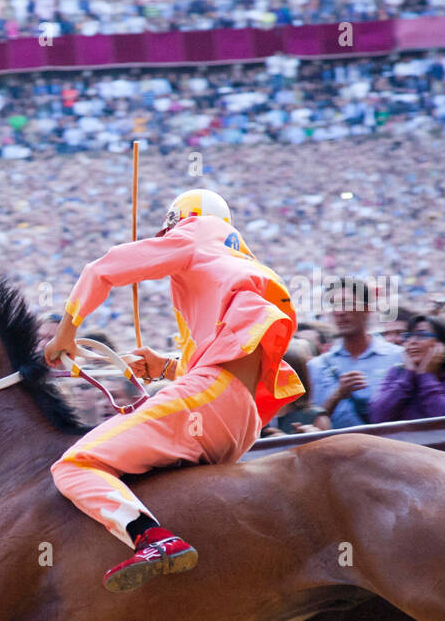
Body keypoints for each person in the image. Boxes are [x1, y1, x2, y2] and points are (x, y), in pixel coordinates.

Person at [44, 189, 304, 593]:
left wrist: (66, 333)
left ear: (177, 221)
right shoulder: (237, 265)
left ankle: (153, 539)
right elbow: (227, 353)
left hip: (211, 398)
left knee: (74, 466)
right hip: (240, 418)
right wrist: (165, 366)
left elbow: (102, 270)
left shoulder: (197, 230)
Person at [306, 278, 405, 428]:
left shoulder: (399, 358)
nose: (339, 312)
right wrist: (337, 395)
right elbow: (309, 426)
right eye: (334, 305)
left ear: (367, 309)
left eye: (347, 304)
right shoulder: (316, 367)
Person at [368, 314, 445, 422]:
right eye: (408, 336)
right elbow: (378, 416)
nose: (412, 341)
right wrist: (408, 375)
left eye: (421, 335)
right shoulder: (397, 373)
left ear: (442, 345)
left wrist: (426, 376)